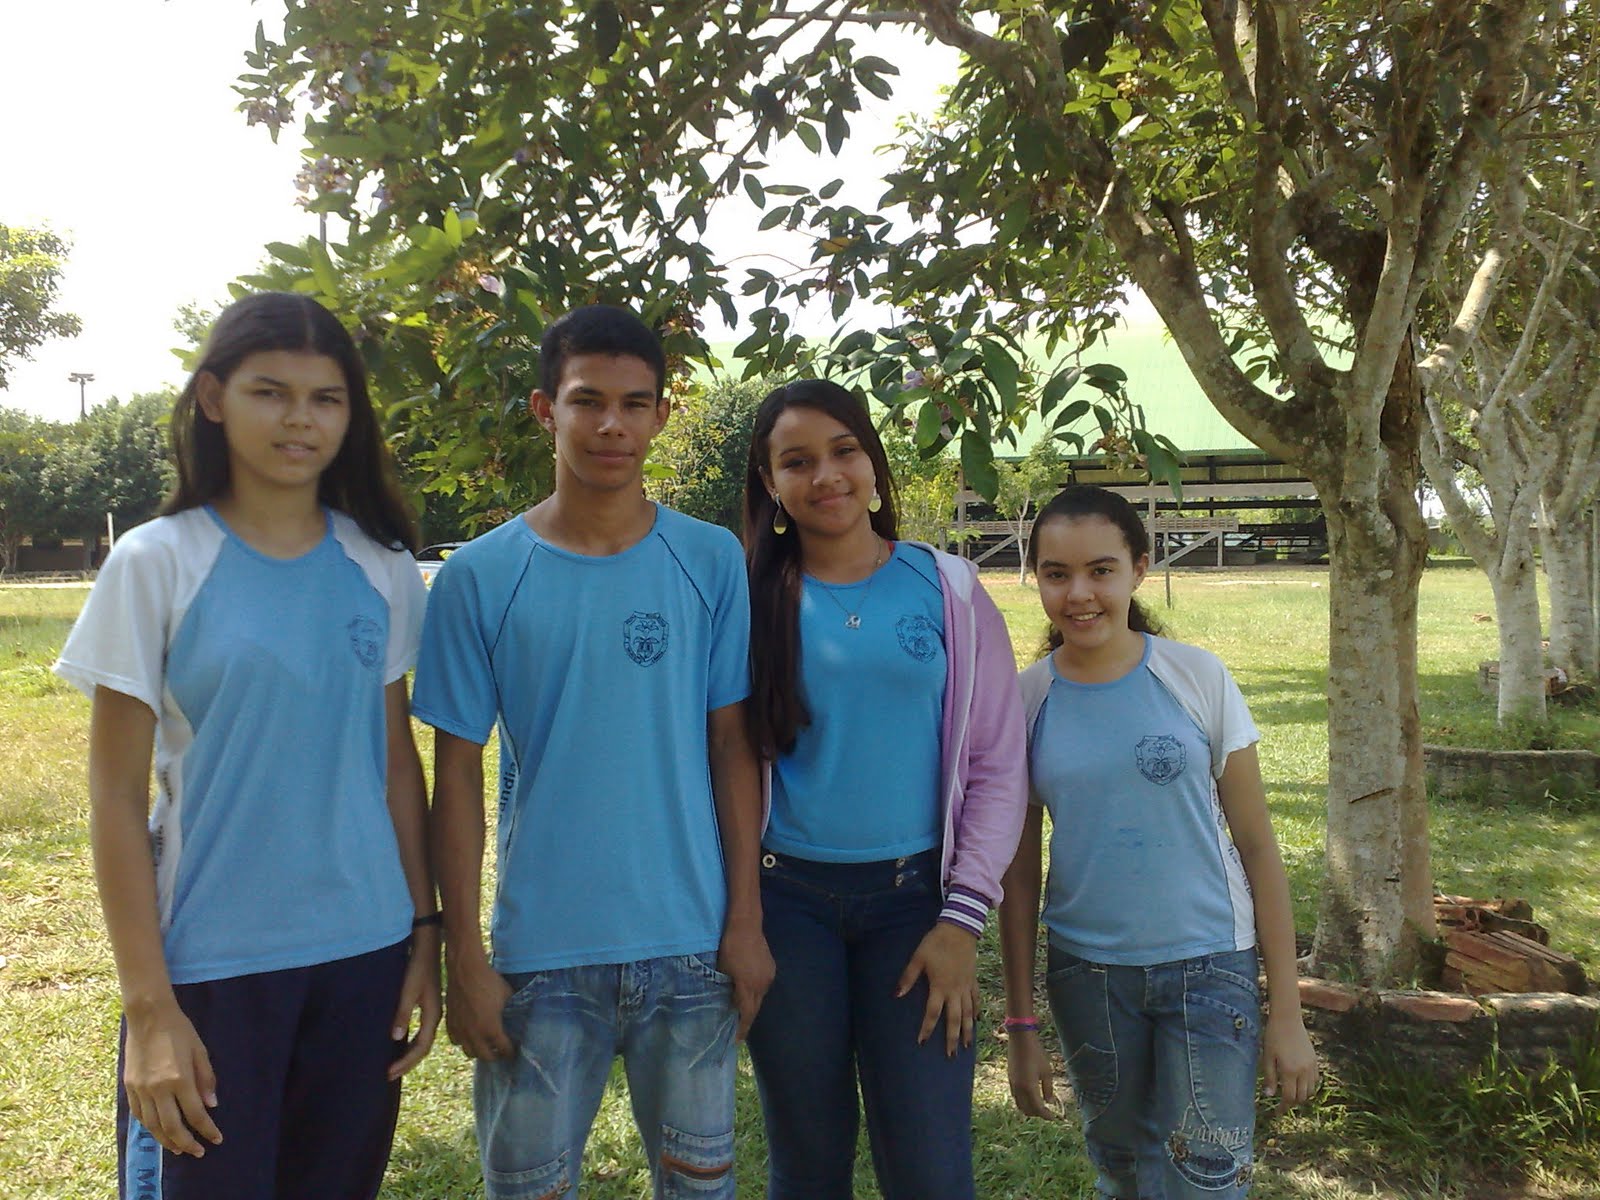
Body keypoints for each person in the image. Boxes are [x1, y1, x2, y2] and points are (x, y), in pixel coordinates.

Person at [53, 292, 440, 1200]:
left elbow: (394, 765)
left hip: (364, 959)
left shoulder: (380, 568)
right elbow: (113, 798)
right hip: (212, 970)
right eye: (272, 392)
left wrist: (426, 936)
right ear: (214, 399)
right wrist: (150, 1008)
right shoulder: (155, 562)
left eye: (326, 398)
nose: (300, 419)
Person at [412, 304, 773, 1200]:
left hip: (691, 947)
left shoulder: (711, 558)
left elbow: (733, 746)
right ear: (546, 410)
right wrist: (466, 955)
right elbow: (452, 773)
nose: (612, 424)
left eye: (635, 403)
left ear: (660, 414)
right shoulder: (478, 577)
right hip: (540, 955)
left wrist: (747, 922)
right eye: (587, 401)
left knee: (701, 1187)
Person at [740, 379, 1028, 1200]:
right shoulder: (749, 599)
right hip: (785, 906)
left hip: (919, 908)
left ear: (873, 462)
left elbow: (998, 764)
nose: (826, 475)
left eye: (844, 451)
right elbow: (722, 757)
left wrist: (961, 919)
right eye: (797, 462)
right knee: (807, 1161)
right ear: (771, 485)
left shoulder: (950, 589)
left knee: (931, 1167)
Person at [999, 484, 1318, 1199]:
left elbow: (1259, 847)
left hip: (1211, 967)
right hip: (1088, 976)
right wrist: (1021, 1023)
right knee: (1123, 1170)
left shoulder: (1195, 677)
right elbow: (1016, 876)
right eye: (1056, 574)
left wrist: (1288, 1013)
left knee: (1204, 1177)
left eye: (1101, 570)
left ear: (1139, 569)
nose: (1079, 594)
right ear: (1038, 577)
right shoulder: (1023, 701)